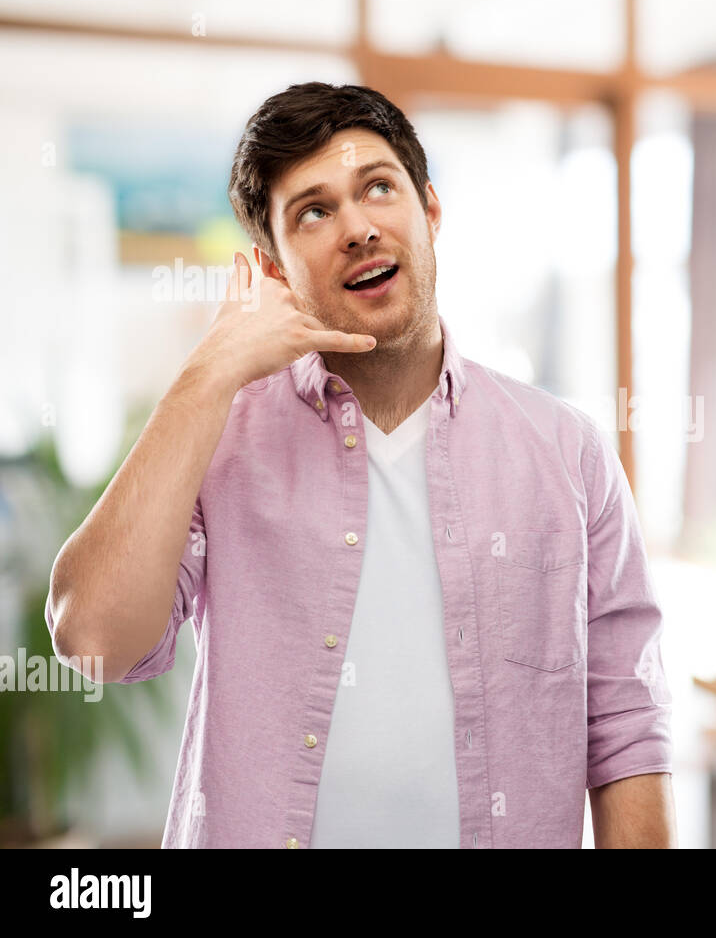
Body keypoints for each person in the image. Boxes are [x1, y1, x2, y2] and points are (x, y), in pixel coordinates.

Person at [44, 82, 675, 849]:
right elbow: (93, 642)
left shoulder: (568, 452)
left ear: (430, 212)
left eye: (378, 187)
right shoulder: (219, 440)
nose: (357, 228)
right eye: (313, 210)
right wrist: (206, 374)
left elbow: (628, 730)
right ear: (272, 269)